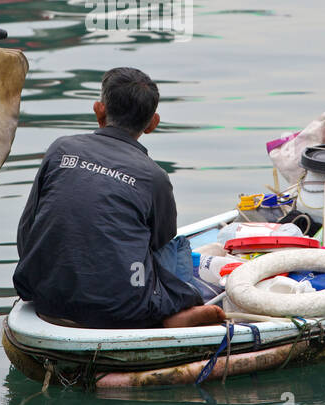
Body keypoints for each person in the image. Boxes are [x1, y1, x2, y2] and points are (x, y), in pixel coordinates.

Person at [14, 67, 226, 329]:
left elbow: (27, 230)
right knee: (175, 247)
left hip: (43, 295)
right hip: (122, 309)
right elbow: (160, 243)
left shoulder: (61, 149)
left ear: (98, 110)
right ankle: (165, 318)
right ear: (152, 123)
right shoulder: (154, 177)